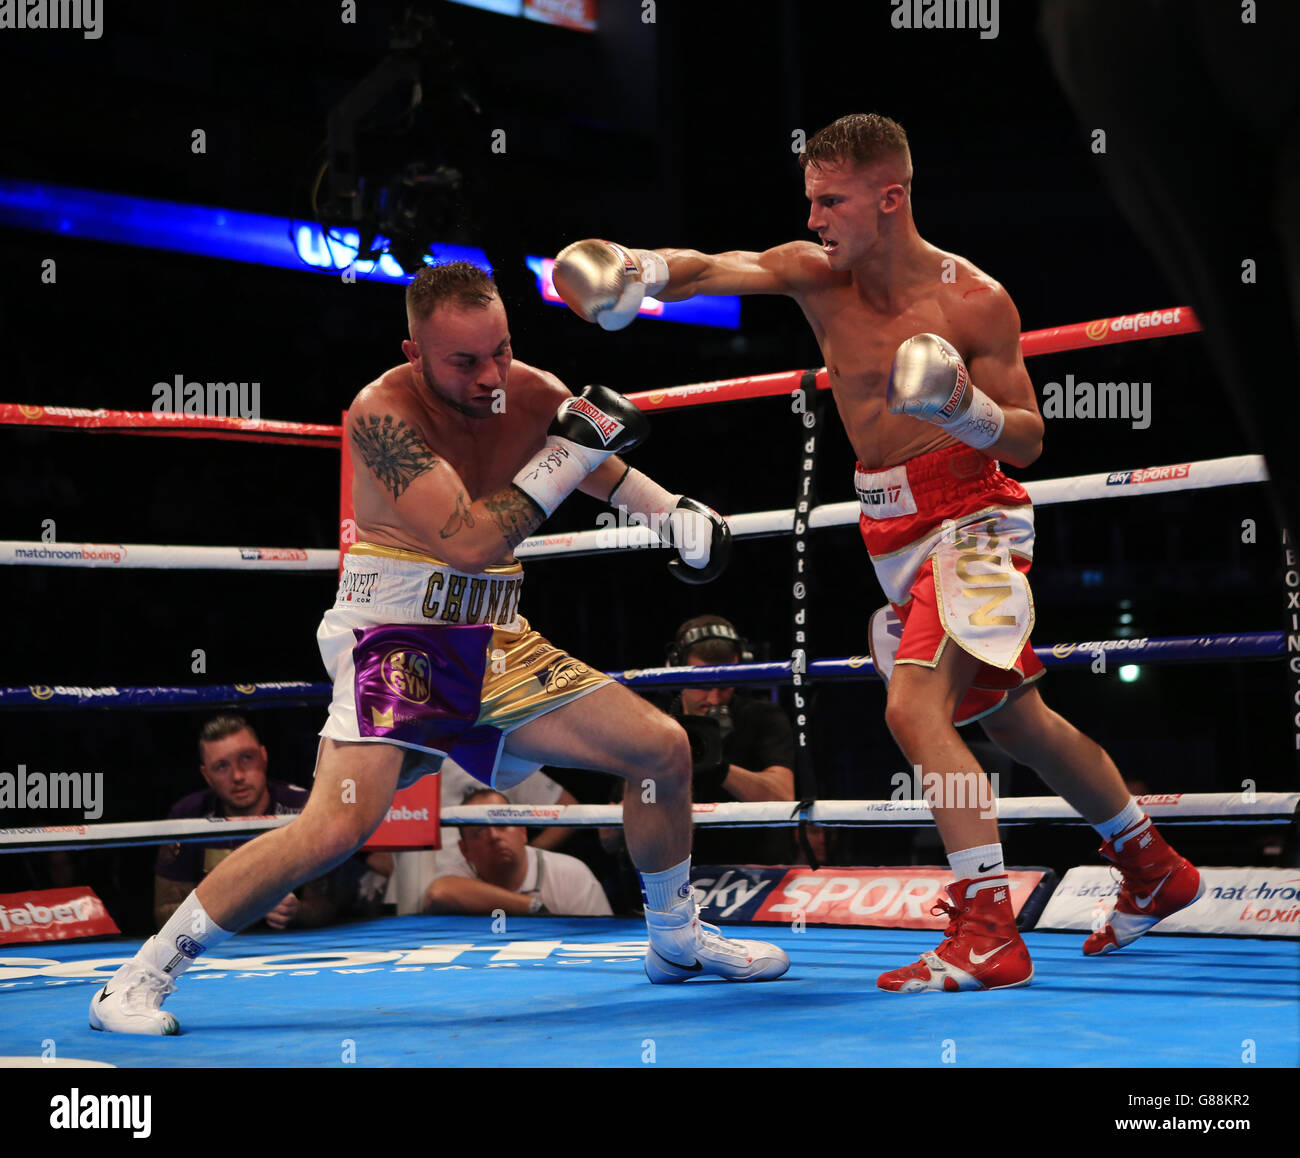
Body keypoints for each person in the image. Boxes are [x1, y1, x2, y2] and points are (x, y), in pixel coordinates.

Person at [551, 113, 1203, 993]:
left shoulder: (976, 299)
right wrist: (637, 270)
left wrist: (960, 409)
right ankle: (1154, 864)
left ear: (890, 197)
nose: (817, 218)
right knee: (1020, 722)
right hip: (889, 533)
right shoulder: (818, 275)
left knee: (914, 712)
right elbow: (716, 267)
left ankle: (988, 931)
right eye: (810, 200)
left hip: (973, 521)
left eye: (833, 201)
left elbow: (1032, 439)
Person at [90, 261, 788, 1035]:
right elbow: (472, 537)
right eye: (465, 360)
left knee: (662, 749)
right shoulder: (380, 415)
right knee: (334, 829)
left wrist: (670, 511)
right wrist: (568, 456)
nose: (492, 375)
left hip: (496, 638)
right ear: (414, 353)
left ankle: (675, 940)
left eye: (501, 349)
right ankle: (139, 976)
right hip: (400, 644)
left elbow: (600, 461)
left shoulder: (527, 387)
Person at [154, 714, 390, 932]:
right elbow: (164, 914)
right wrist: (236, 903)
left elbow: (327, 906)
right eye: (222, 766)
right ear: (206, 775)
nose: (237, 776)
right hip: (215, 949)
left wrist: (298, 911)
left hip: (292, 947)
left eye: (246, 758)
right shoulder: (188, 816)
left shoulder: (305, 808)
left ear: (264, 757)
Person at [664, 615, 797, 865]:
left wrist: (717, 766)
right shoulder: (655, 720)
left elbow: (783, 798)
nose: (715, 699)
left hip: (756, 870)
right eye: (702, 684)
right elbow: (609, 836)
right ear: (676, 667)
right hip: (676, 871)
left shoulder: (762, 716)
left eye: (725, 684)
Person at [423, 788, 611, 917]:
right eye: (479, 831)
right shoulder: (460, 875)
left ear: (522, 831)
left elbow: (604, 947)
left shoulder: (571, 874)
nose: (494, 836)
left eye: (502, 824)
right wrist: (531, 906)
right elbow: (439, 892)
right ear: (465, 850)